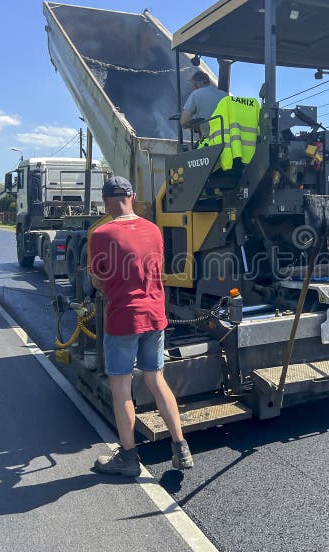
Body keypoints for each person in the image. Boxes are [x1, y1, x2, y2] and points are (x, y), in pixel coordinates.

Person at [89, 176, 193, 477]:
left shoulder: (101, 234)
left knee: (121, 387)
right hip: (155, 316)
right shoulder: (154, 231)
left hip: (124, 319)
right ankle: (180, 446)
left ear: (106, 202)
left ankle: (129, 457)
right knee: (155, 379)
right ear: (132, 197)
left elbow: (98, 279)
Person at [180, 70, 226, 138]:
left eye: (193, 83)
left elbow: (184, 120)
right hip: (227, 136)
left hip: (209, 138)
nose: (193, 86)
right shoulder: (224, 95)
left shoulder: (196, 94)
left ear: (196, 84)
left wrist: (191, 123)